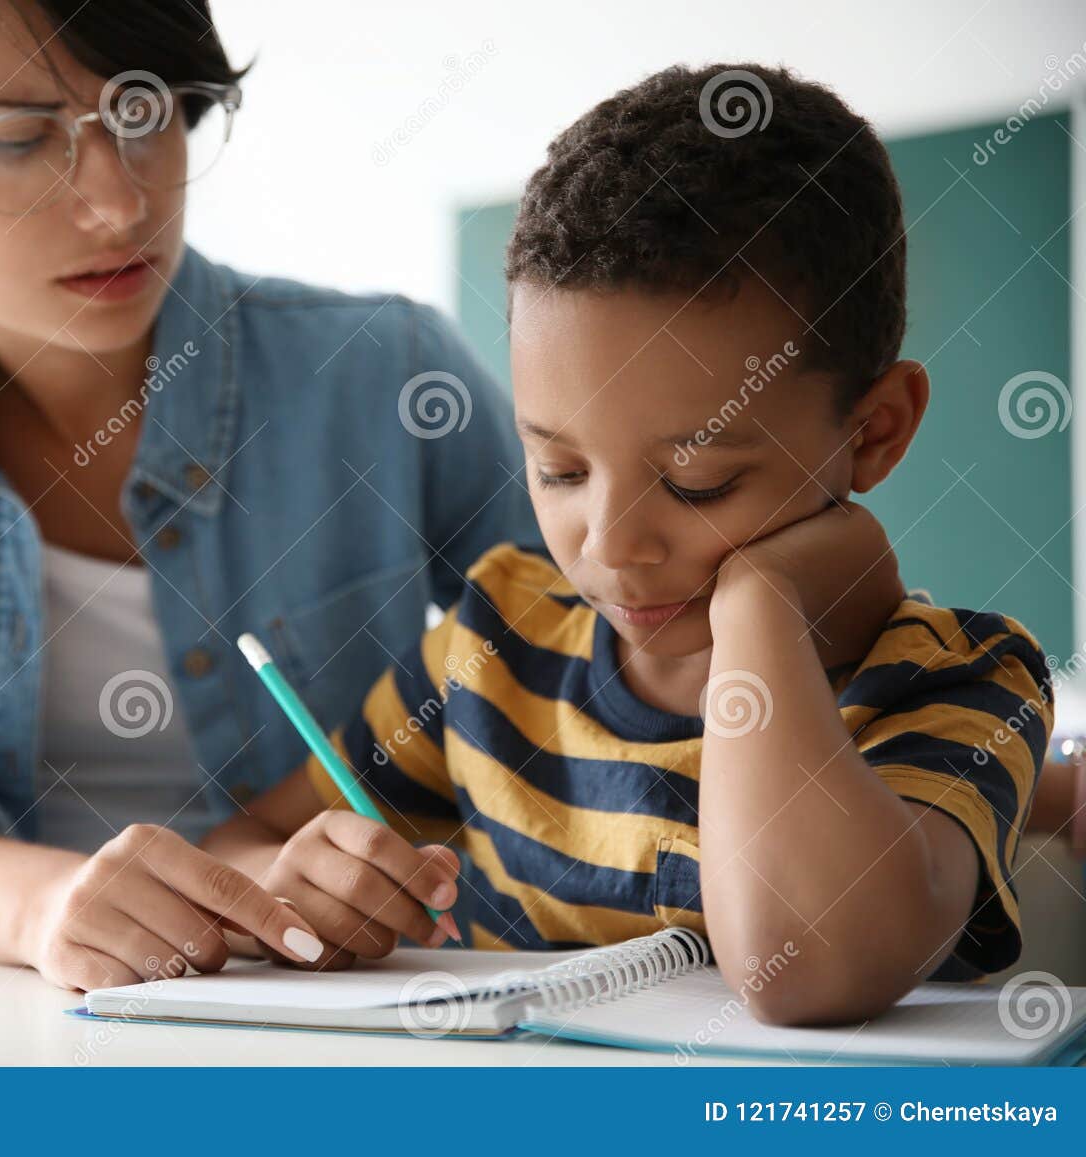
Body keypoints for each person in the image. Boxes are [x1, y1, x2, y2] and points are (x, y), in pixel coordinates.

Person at [203, 63, 1054, 1027]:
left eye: (699, 482)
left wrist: (761, 610)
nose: (609, 546)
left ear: (875, 432)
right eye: (559, 471)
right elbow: (250, 837)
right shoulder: (497, 640)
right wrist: (301, 878)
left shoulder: (961, 683)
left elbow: (807, 971)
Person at [0, 0, 537, 991]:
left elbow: (603, 672)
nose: (119, 202)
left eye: (145, 111)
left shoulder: (388, 373)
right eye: (20, 139)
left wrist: (354, 864)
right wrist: (45, 906)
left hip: (343, 1011)